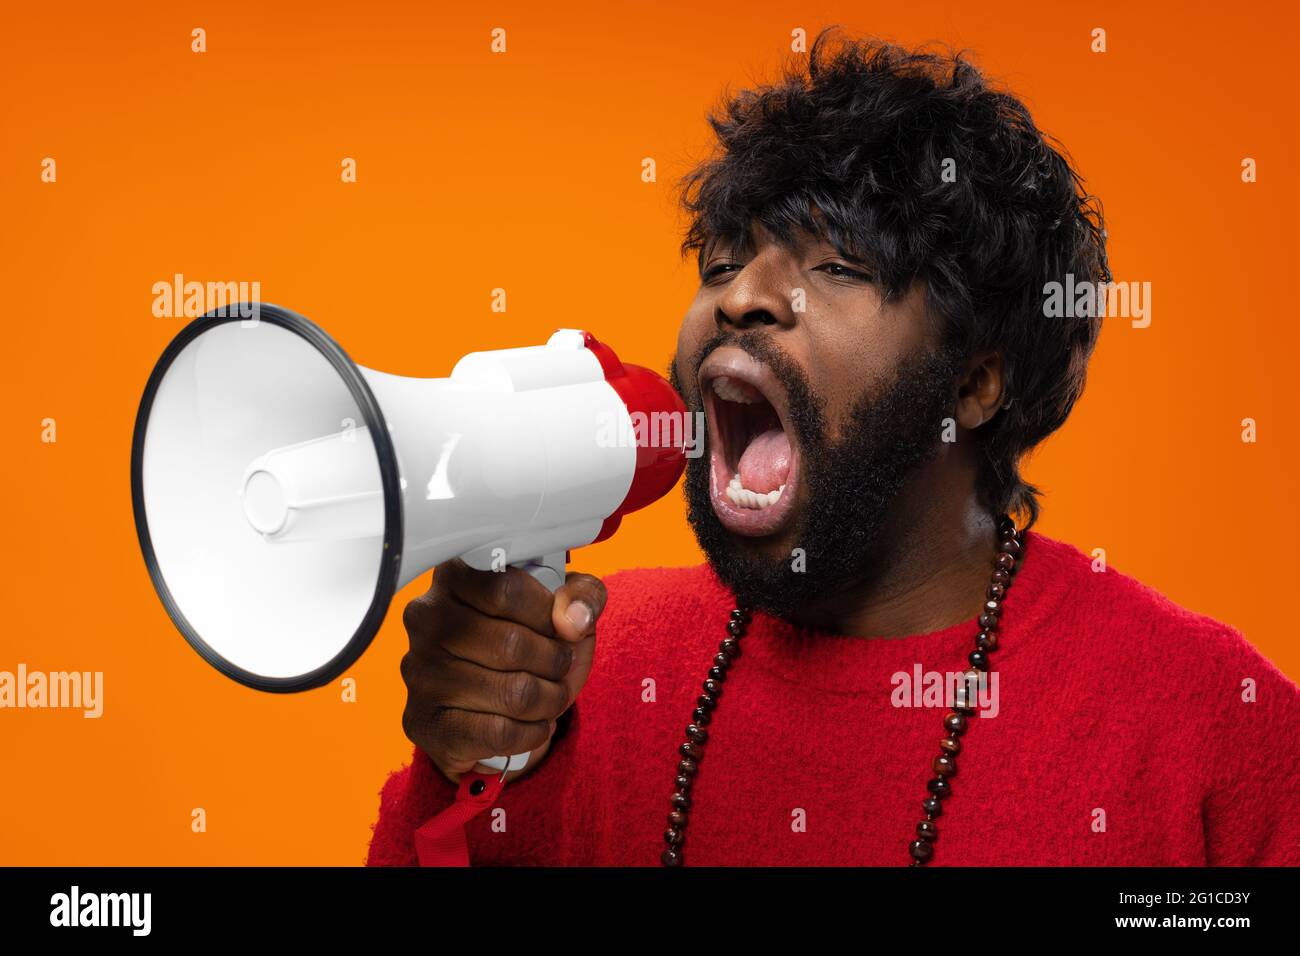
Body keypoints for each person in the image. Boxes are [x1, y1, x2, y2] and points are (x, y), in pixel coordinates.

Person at [365, 30, 1299, 867]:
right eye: (723, 263)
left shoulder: (1215, 726)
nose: (739, 299)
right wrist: (465, 767)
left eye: (839, 267)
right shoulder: (586, 663)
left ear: (976, 383)